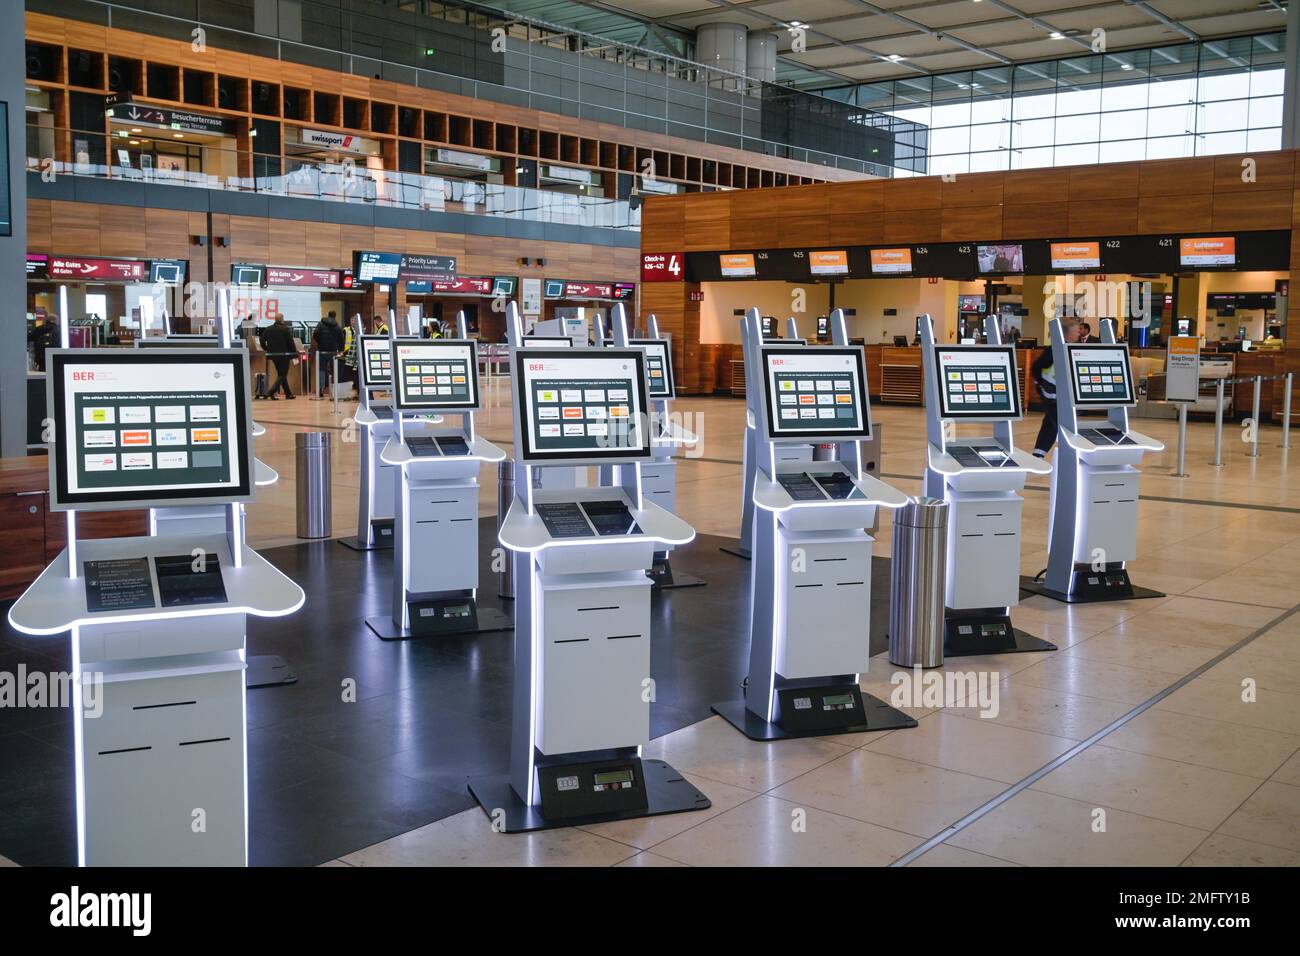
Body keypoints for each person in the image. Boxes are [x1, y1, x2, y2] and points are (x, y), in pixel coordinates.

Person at [1030, 318, 1086, 458]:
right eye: (1076, 331)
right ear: (1067, 333)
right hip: (1052, 395)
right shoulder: (1055, 349)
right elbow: (1036, 368)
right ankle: (1072, 453)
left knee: (1050, 423)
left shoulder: (1066, 347)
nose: (1079, 334)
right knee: (1063, 423)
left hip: (1058, 395)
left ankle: (1038, 454)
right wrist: (1042, 385)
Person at [261, 312, 299, 400]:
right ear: (282, 319)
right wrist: (294, 354)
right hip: (284, 355)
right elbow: (291, 343)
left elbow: (262, 340)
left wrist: (266, 348)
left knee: (281, 374)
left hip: (273, 355)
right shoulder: (285, 329)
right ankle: (270, 392)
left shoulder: (268, 329)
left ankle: (288, 394)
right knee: (282, 374)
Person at [311, 311, 347, 399]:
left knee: (321, 370)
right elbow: (341, 339)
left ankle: (320, 390)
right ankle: (335, 391)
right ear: (335, 316)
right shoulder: (338, 327)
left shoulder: (321, 324)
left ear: (328, 315)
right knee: (335, 371)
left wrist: (320, 342)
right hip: (333, 351)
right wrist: (341, 350)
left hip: (322, 351)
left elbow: (315, 334)